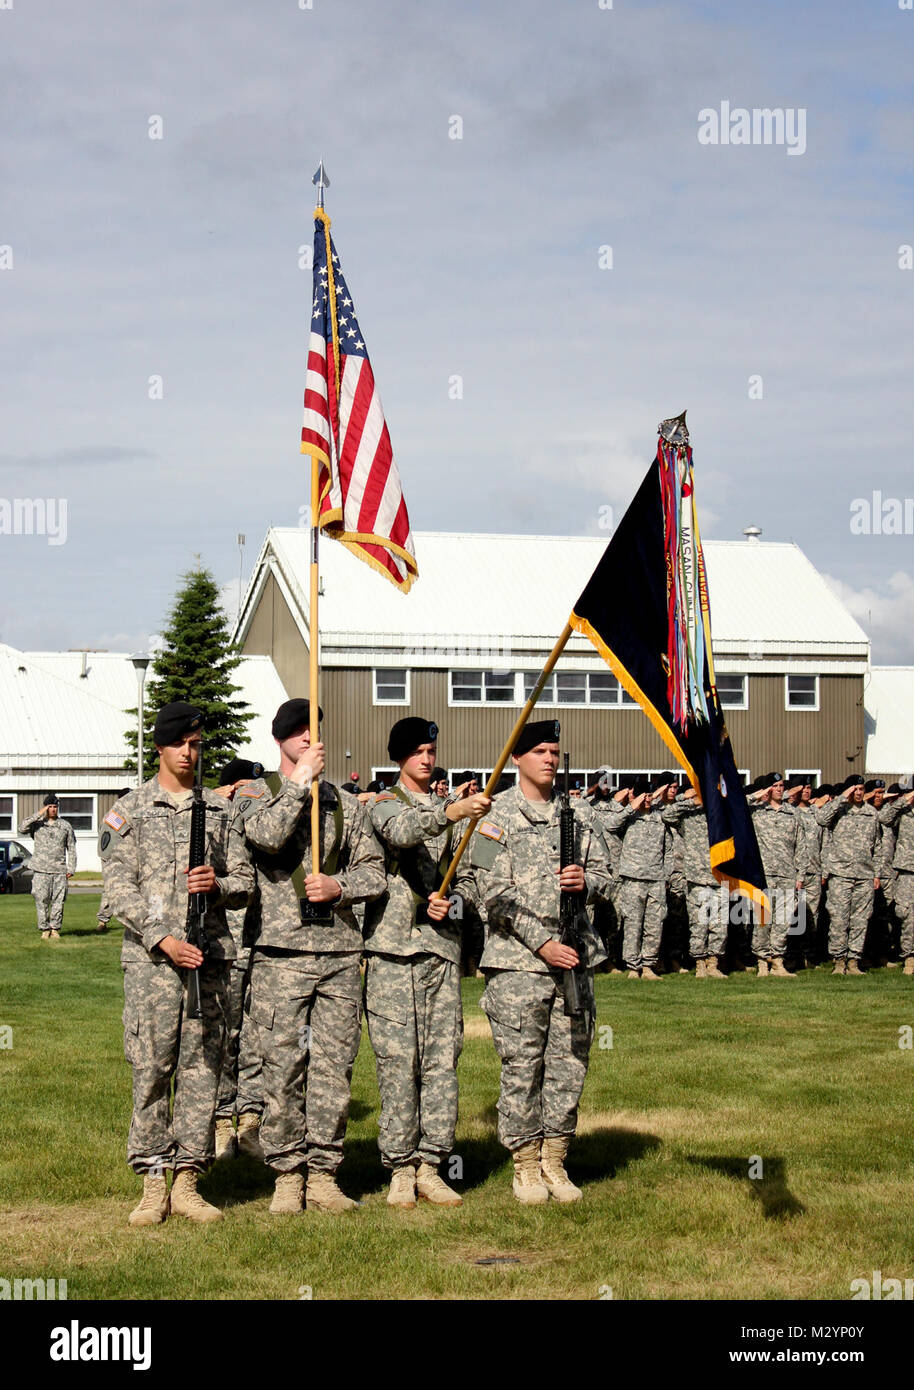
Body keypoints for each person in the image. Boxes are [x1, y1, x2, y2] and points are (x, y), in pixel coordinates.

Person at [100, 702, 254, 1227]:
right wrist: (161, 937)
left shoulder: (219, 809)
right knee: (152, 1068)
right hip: (152, 966)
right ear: (160, 748)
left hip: (209, 960)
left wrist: (220, 884)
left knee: (202, 1067)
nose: (191, 753)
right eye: (182, 744)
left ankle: (188, 1179)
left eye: (197, 744)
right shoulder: (130, 811)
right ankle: (151, 1179)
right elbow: (118, 889)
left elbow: (245, 884)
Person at [235, 699, 386, 1215]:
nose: (307, 739)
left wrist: (339, 886)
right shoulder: (255, 795)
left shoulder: (346, 803)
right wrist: (300, 782)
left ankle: (323, 1171)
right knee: (282, 1065)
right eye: (297, 733)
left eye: (313, 732)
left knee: (333, 1067)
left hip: (340, 950)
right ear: (280, 739)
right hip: (281, 954)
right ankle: (285, 1172)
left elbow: (374, 873)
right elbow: (267, 838)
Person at [465, 720, 609, 1204]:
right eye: (540, 751)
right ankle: (525, 1163)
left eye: (554, 750)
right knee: (522, 1064)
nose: (549, 758)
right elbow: (489, 890)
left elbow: (610, 877)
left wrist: (585, 882)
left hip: (575, 957)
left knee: (570, 1062)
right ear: (518, 760)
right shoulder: (493, 817)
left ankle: (555, 1159)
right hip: (518, 962)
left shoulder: (580, 815)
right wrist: (541, 942)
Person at [364, 717, 489, 1209]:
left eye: (431, 749)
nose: (427, 758)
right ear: (399, 757)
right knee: (398, 1062)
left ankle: (433, 1164)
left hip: (440, 950)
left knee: (441, 1062)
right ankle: (399, 1167)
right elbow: (402, 833)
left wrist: (451, 904)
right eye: (417, 751)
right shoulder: (384, 804)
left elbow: (475, 878)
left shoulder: (456, 814)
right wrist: (456, 809)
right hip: (393, 952)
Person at [212, 758, 267, 1162]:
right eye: (244, 789)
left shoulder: (260, 826)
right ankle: (218, 1123)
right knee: (220, 1036)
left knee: (256, 1037)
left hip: (258, 944)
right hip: (223, 945)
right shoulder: (211, 824)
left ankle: (250, 1121)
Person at [600, 776, 678, 980]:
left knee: (654, 924)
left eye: (651, 795)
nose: (648, 799)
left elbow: (668, 848)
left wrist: (666, 873)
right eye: (645, 795)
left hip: (656, 879)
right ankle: (633, 966)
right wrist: (630, 807)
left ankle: (649, 965)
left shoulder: (660, 817)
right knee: (633, 923)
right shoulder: (628, 817)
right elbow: (609, 826)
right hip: (632, 879)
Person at [815, 774, 883, 976]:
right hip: (840, 873)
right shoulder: (839, 809)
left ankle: (854, 961)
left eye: (862, 789)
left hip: (865, 874)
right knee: (839, 919)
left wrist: (876, 873)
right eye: (855, 789)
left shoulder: (871, 813)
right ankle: (838, 961)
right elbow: (821, 818)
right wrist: (841, 798)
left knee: (860, 920)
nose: (859, 792)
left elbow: (877, 846)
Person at [664, 786, 727, 977]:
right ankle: (700, 963)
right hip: (696, 876)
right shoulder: (688, 815)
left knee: (719, 923)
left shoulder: (721, 814)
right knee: (699, 923)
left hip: (719, 875)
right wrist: (690, 801)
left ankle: (713, 963)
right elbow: (667, 815)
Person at [748, 773, 807, 978]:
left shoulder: (793, 814)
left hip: (787, 875)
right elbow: (737, 806)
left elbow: (801, 845)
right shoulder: (757, 812)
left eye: (782, 785)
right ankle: (762, 961)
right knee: (763, 920)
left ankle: (777, 960)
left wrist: (800, 875)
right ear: (768, 790)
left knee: (783, 921)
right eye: (775, 786)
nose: (780, 789)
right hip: (763, 875)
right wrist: (758, 795)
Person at [18, 793, 76, 939]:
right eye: (50, 807)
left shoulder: (65, 826)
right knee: (41, 899)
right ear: (45, 808)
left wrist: (71, 868)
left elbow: (71, 848)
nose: (53, 810)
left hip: (59, 869)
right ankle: (44, 929)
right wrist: (39, 814)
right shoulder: (37, 825)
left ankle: (55, 928)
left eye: (55, 807)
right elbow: (21, 828)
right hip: (40, 869)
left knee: (58, 901)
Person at [878, 783, 914, 974]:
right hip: (908, 870)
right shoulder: (904, 808)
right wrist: (904, 800)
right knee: (907, 915)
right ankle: (910, 958)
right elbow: (884, 818)